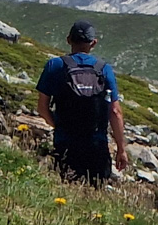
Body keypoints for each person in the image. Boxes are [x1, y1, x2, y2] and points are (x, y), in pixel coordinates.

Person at [36, 19, 130, 185]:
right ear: (93, 43)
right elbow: (115, 112)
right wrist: (121, 149)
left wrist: (58, 126)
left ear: (68, 40)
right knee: (94, 195)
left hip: (65, 143)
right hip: (96, 145)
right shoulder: (104, 69)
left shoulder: (54, 65)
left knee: (67, 189)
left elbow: (42, 107)